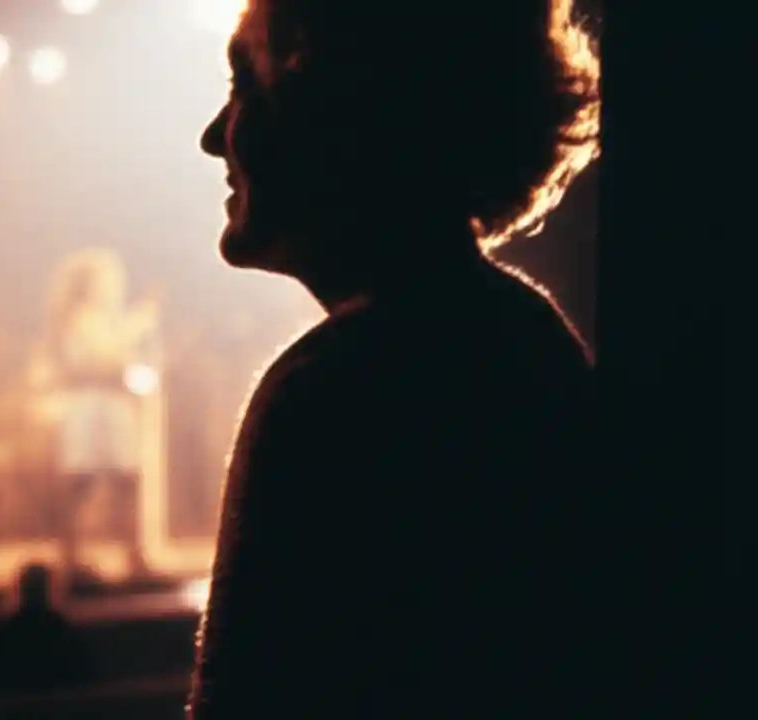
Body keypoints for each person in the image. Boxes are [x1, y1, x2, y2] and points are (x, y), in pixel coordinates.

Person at [189, 1, 608, 717]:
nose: (210, 138)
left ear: (341, 103)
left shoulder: (334, 391)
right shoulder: (524, 341)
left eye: (244, 85)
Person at [46, 249, 157, 588]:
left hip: (111, 406)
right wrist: (137, 325)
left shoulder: (104, 318)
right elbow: (103, 359)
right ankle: (71, 558)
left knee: (126, 482)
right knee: (82, 484)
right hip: (92, 408)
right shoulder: (83, 318)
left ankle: (133, 554)